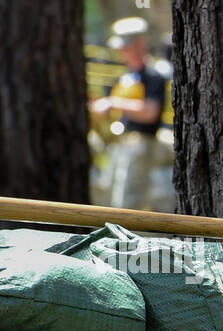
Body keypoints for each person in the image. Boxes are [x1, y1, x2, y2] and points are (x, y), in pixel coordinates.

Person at [90, 17, 167, 211]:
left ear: (140, 44)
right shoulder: (124, 76)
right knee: (108, 196)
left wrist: (114, 103)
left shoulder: (153, 75)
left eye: (126, 47)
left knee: (128, 201)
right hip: (118, 144)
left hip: (141, 143)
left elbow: (150, 112)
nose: (122, 52)